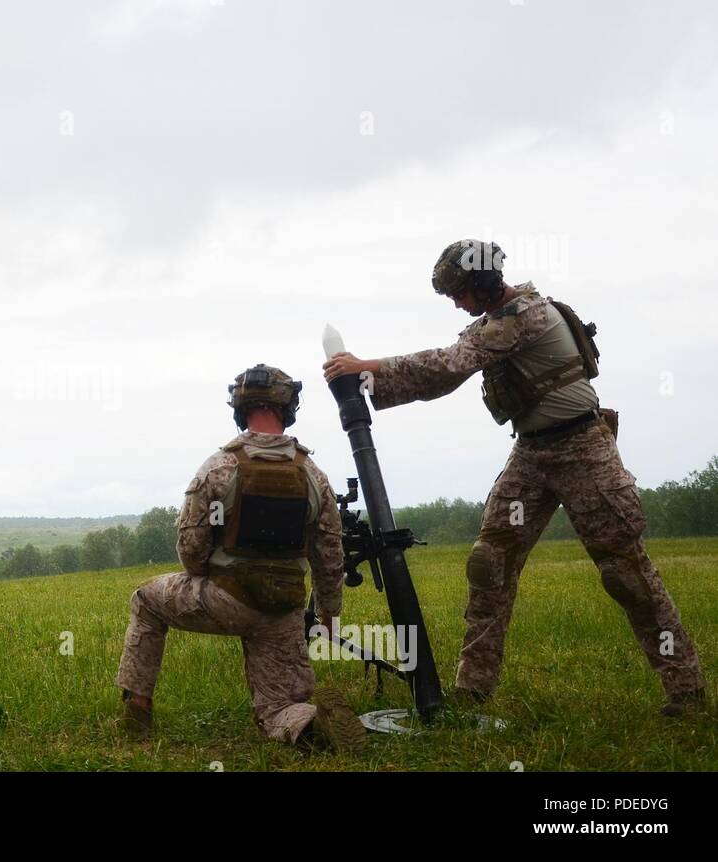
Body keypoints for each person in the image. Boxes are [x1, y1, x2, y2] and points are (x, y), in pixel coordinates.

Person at [322, 239, 705, 716]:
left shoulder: (526, 316)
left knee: (626, 574)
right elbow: (442, 376)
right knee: (490, 564)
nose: (458, 303)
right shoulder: (489, 325)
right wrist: (367, 382)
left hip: (584, 449)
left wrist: (368, 366)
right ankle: (474, 688)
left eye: (460, 292)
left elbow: (448, 364)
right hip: (532, 454)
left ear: (482, 282)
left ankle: (685, 689)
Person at [115, 364, 365, 751]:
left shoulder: (220, 467)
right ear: (287, 407)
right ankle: (310, 724)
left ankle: (138, 709)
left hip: (224, 598)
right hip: (283, 610)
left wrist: (203, 576)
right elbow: (330, 554)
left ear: (239, 407)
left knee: (145, 601)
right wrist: (329, 612)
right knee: (280, 705)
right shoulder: (314, 475)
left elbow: (191, 546)